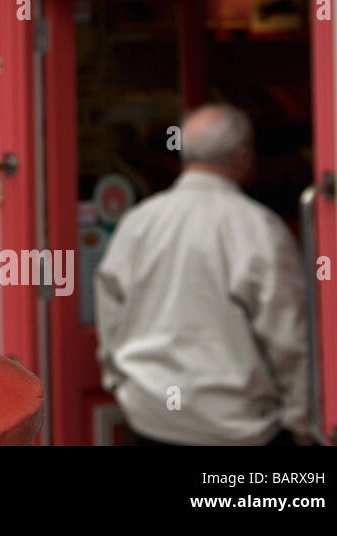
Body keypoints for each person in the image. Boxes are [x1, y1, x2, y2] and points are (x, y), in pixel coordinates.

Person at [94, 103, 312, 446]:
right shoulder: (260, 229)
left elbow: (110, 311)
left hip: (151, 416)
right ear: (243, 156)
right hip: (237, 428)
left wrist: (119, 381)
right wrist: (303, 422)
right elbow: (289, 339)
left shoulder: (139, 222)